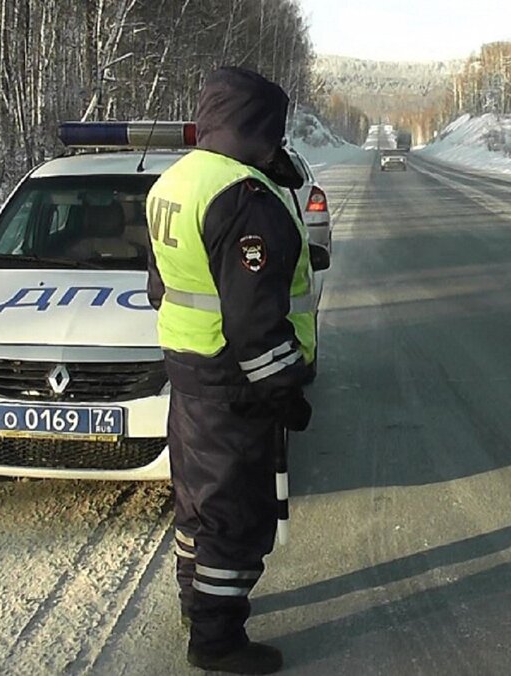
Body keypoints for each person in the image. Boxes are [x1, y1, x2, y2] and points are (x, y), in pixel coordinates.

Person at [145, 67, 316, 674]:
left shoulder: (176, 180)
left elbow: (158, 286)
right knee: (236, 516)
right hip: (234, 382)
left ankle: (197, 605)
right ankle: (217, 640)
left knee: (198, 505)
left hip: (189, 372)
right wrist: (285, 389)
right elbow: (254, 322)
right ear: (259, 126)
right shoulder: (243, 199)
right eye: (274, 129)